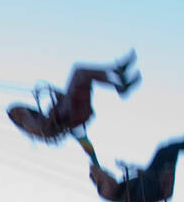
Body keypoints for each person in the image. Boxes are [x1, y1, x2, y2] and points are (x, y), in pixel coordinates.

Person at [8, 51, 139, 147]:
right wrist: (53, 111)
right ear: (16, 118)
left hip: (64, 110)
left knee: (82, 73)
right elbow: (46, 130)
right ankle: (116, 72)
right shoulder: (29, 126)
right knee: (79, 72)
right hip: (65, 114)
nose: (21, 109)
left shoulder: (32, 119)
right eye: (16, 111)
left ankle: (118, 80)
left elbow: (50, 121)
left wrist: (56, 98)